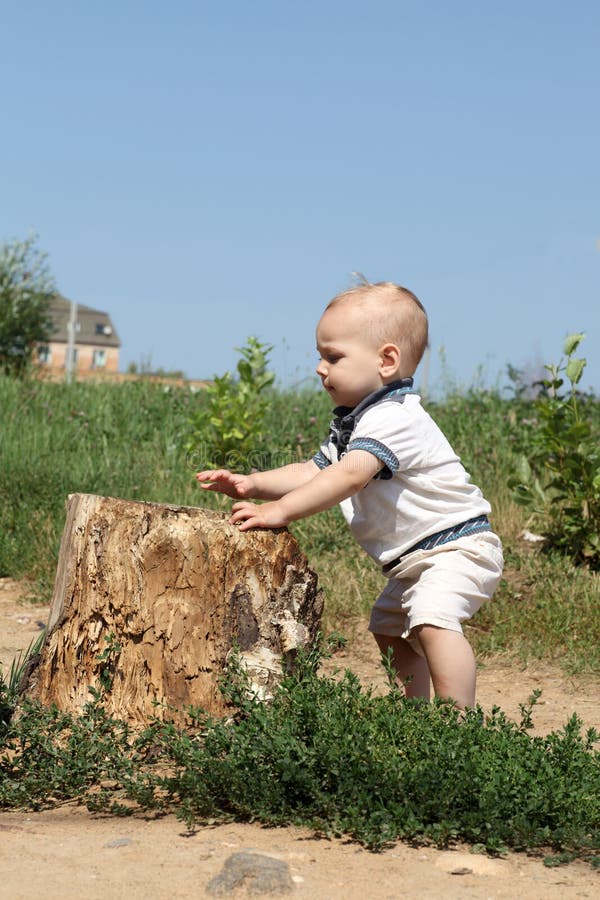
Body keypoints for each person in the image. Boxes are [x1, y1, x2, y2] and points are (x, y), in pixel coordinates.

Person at [196, 281, 503, 708]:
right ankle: (413, 714)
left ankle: (460, 725)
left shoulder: (396, 417)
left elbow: (349, 478)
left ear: (386, 360)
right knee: (388, 626)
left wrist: (280, 510)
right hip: (414, 561)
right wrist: (254, 483)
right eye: (320, 356)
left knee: (433, 619)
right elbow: (314, 471)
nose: (320, 368)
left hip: (456, 549)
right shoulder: (358, 423)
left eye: (333, 356)